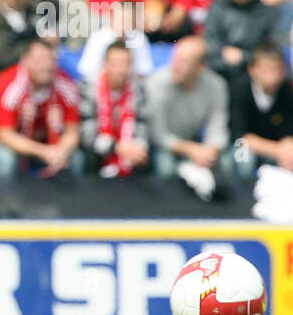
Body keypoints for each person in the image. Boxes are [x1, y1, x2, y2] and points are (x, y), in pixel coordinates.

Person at [0, 37, 82, 175]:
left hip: (47, 146)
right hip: (3, 145)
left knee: (75, 158)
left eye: (50, 59)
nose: (46, 66)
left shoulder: (65, 84)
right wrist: (43, 152)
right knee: (6, 159)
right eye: (40, 59)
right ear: (25, 60)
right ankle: (4, 196)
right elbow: (4, 135)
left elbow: (73, 131)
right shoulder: (9, 84)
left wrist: (60, 151)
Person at [145, 35, 230, 195]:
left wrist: (210, 150)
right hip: (166, 147)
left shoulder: (217, 86)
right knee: (165, 164)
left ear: (200, 67)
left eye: (183, 62)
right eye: (175, 59)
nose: (175, 66)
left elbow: (218, 126)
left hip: (198, 145)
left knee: (226, 161)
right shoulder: (155, 84)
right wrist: (192, 150)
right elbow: (158, 135)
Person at [204, 0, 282, 80]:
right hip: (221, 71)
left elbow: (274, 49)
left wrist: (244, 56)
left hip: (255, 75)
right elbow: (210, 42)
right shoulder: (218, 6)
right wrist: (224, 53)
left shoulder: (268, 12)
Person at [79, 41, 149, 177]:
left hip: (129, 148)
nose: (120, 69)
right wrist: (116, 148)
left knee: (145, 159)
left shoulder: (138, 88)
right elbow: (86, 133)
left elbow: (142, 123)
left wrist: (139, 147)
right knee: (84, 158)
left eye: (125, 63)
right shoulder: (88, 87)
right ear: (105, 64)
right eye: (115, 63)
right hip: (97, 149)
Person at [228, 43, 293, 177]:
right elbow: (240, 136)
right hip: (244, 145)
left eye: (279, 70)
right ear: (253, 69)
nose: (274, 76)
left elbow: (288, 131)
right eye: (268, 70)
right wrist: (277, 150)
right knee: (244, 159)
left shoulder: (286, 90)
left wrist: (287, 148)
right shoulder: (239, 89)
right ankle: (243, 194)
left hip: (274, 146)